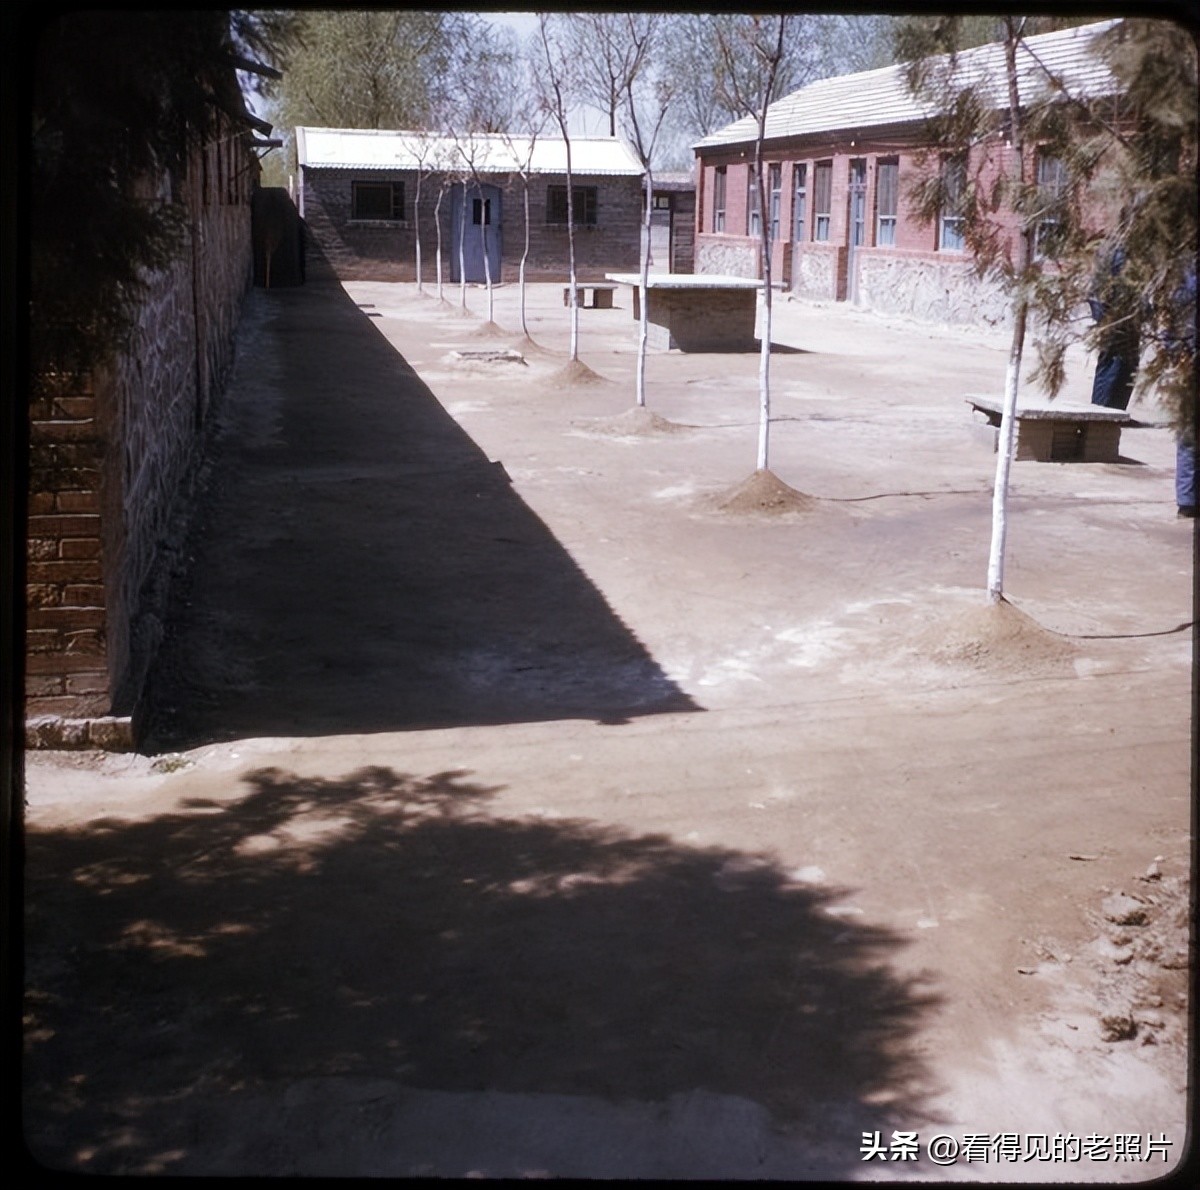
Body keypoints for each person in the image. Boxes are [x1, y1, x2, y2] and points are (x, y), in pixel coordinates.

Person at [1088, 238, 1140, 410]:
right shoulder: (1118, 253)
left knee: (1126, 366)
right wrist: (1107, 319)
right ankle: (1101, 412)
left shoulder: (1130, 253)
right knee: (1112, 364)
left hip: (1126, 318)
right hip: (1115, 318)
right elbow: (1100, 291)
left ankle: (1115, 412)